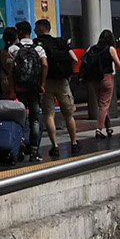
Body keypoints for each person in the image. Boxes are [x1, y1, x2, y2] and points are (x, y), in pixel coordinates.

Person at [38, 27, 81, 155]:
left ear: (39, 29)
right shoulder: (61, 42)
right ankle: (74, 143)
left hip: (46, 83)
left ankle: (55, 146)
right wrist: (70, 74)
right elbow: (75, 59)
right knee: (69, 114)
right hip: (62, 82)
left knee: (49, 115)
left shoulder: (37, 44)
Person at [5, 22, 46, 154]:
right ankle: (34, 149)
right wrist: (42, 84)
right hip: (34, 89)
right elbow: (45, 65)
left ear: (20, 32)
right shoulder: (38, 49)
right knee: (35, 119)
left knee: (19, 119)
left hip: (19, 89)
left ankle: (20, 147)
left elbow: (10, 72)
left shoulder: (13, 49)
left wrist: (12, 90)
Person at [81, 29, 120, 139]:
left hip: (93, 80)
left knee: (102, 104)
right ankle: (99, 129)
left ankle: (109, 127)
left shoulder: (91, 48)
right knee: (104, 105)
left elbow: (84, 61)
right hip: (106, 79)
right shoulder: (110, 49)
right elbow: (118, 64)